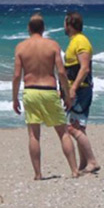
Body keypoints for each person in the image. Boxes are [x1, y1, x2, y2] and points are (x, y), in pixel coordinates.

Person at [11, 13, 79, 180]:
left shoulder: (20, 47)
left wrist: (14, 98)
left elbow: (17, 75)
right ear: (43, 29)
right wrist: (67, 94)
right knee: (63, 132)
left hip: (31, 91)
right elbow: (61, 72)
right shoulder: (52, 45)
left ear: (29, 28)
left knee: (34, 135)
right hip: (49, 90)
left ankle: (38, 174)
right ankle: (74, 170)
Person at [63, 10, 101, 174]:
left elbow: (84, 68)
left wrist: (73, 88)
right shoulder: (74, 41)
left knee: (73, 127)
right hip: (76, 89)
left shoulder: (81, 42)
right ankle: (84, 163)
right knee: (79, 126)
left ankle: (92, 161)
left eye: (65, 23)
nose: (63, 26)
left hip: (81, 90)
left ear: (69, 24)